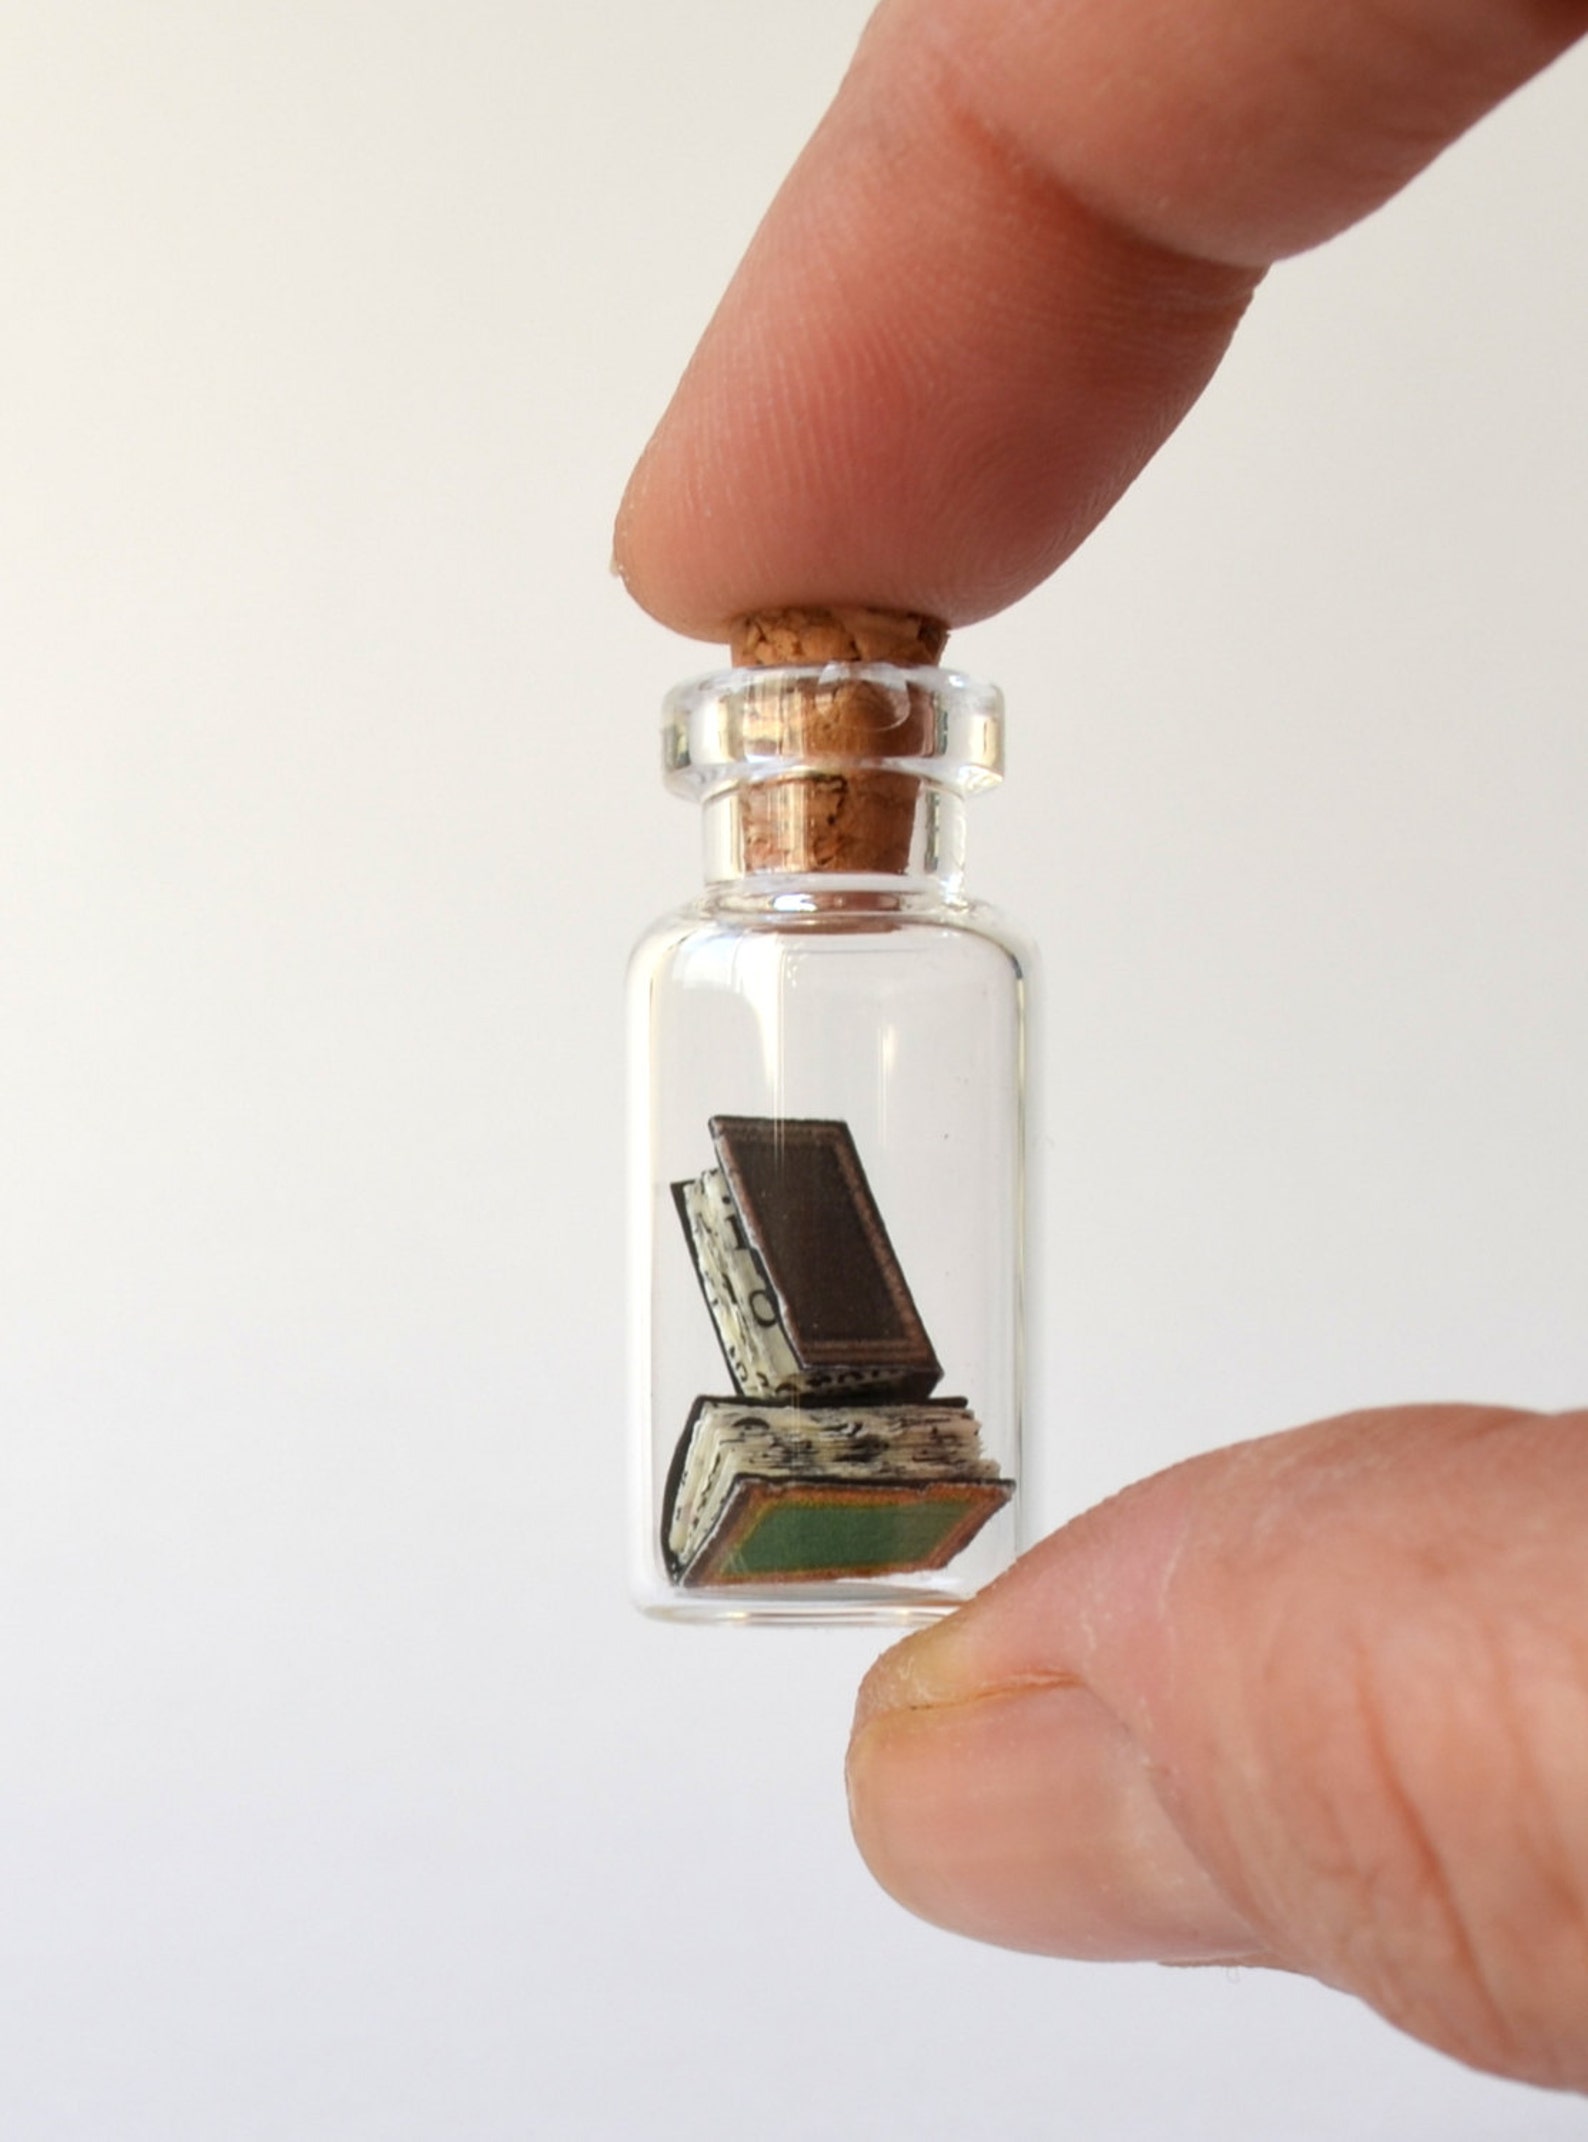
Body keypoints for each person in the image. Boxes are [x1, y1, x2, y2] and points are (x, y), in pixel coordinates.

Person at [613, 0, 1588, 2093]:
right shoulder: (693, 973)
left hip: (896, 1469)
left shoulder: (960, 965)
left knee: (908, 1426)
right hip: (803, 1476)